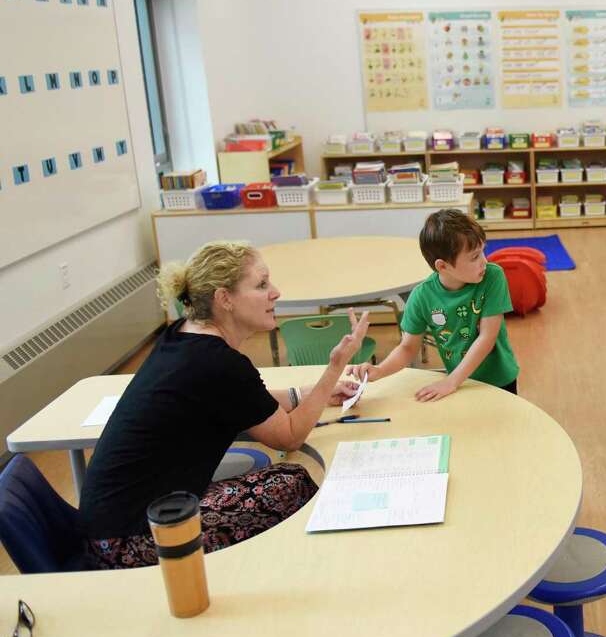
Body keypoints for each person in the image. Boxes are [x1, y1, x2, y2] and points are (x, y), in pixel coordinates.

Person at [80, 241, 368, 569]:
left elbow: (243, 401)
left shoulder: (185, 336)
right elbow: (289, 437)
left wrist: (305, 395)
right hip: (136, 541)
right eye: (261, 285)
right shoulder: (219, 363)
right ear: (224, 299)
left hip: (112, 525)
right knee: (291, 485)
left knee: (289, 478)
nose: (275, 293)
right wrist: (334, 368)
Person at [351, 209, 519, 399]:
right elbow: (407, 347)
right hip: (461, 382)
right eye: (474, 257)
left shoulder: (492, 277)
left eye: (483, 251)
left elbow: (487, 337)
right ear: (442, 266)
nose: (484, 261)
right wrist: (379, 371)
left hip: (499, 379)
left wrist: (450, 381)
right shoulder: (422, 296)